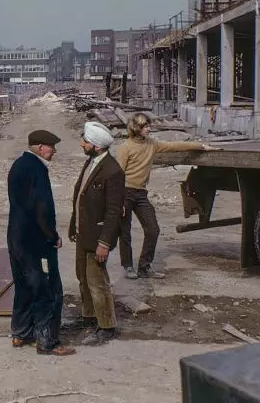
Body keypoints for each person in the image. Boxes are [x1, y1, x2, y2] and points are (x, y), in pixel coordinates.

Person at [117, 113, 218, 279]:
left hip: (141, 194)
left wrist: (201, 146)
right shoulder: (125, 147)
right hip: (125, 192)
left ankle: (144, 267)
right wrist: (117, 199)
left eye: (148, 126)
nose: (149, 129)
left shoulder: (152, 144)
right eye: (145, 127)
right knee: (124, 231)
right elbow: (118, 174)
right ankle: (128, 266)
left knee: (153, 230)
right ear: (136, 128)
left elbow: (175, 145)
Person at [7, 129, 75, 356]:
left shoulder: (18, 165)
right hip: (36, 240)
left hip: (16, 237)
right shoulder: (37, 170)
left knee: (23, 284)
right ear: (38, 146)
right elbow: (42, 208)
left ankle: (21, 333)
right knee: (46, 288)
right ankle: (47, 341)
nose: (54, 150)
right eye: (51, 146)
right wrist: (52, 236)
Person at [67, 122, 125, 346]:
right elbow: (80, 198)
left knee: (97, 282)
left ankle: (107, 326)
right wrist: (74, 226)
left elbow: (114, 212)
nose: (82, 144)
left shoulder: (112, 171)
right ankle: (89, 317)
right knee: (82, 277)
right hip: (84, 234)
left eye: (86, 142)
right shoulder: (91, 163)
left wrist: (104, 242)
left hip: (97, 237)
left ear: (97, 146)